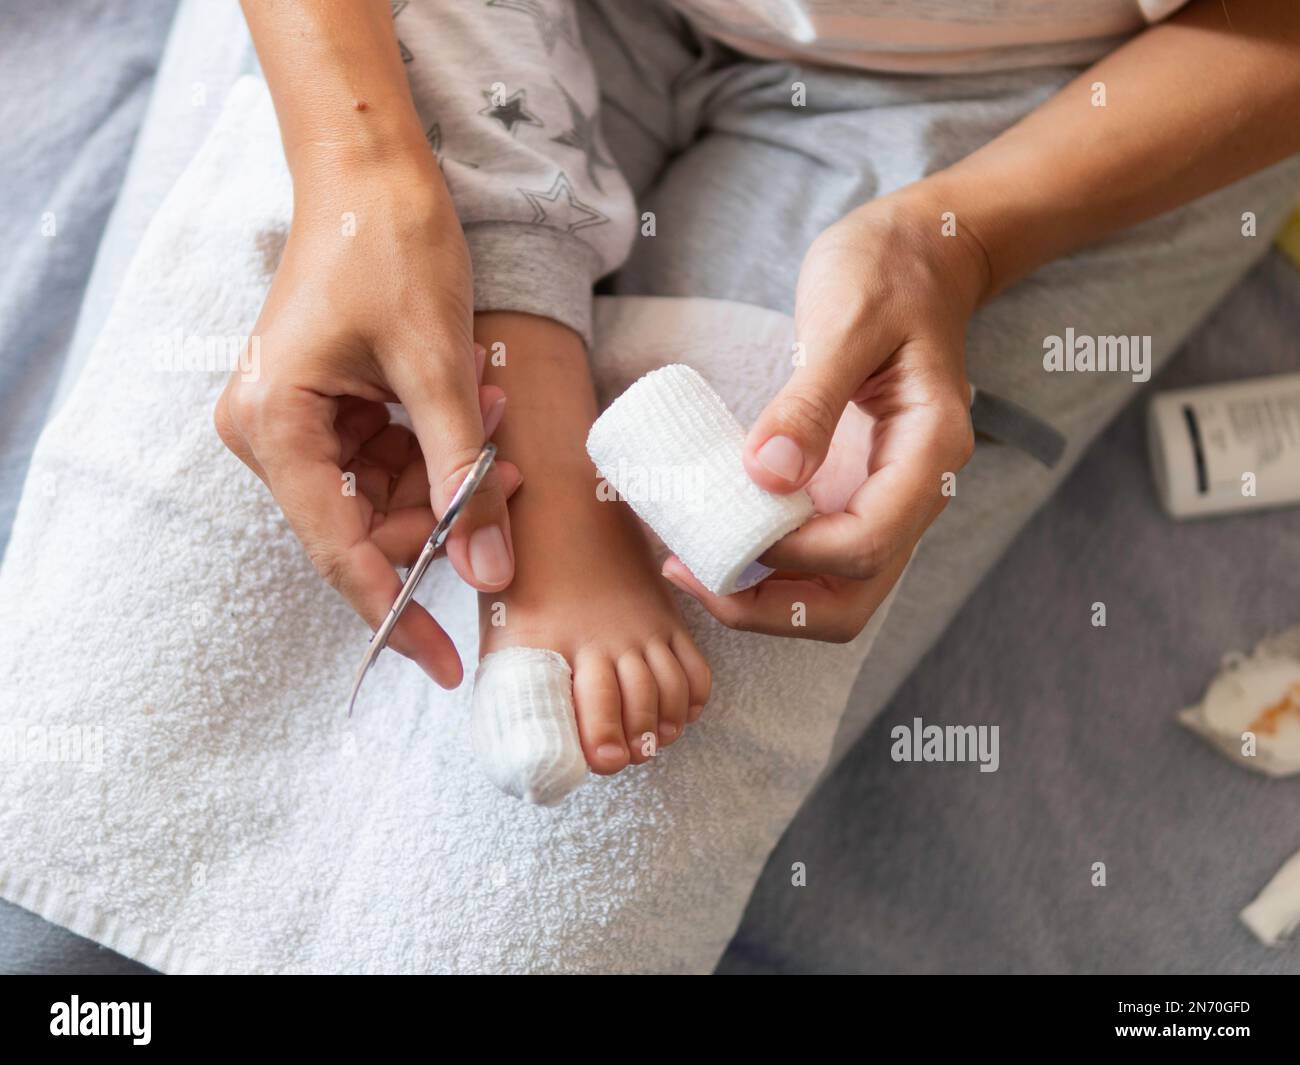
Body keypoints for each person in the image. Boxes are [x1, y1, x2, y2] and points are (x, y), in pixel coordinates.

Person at [217, 0, 1300, 777]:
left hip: (968, 69)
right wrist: (360, 179)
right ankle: (536, 428)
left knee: (785, 459)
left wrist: (951, 242)